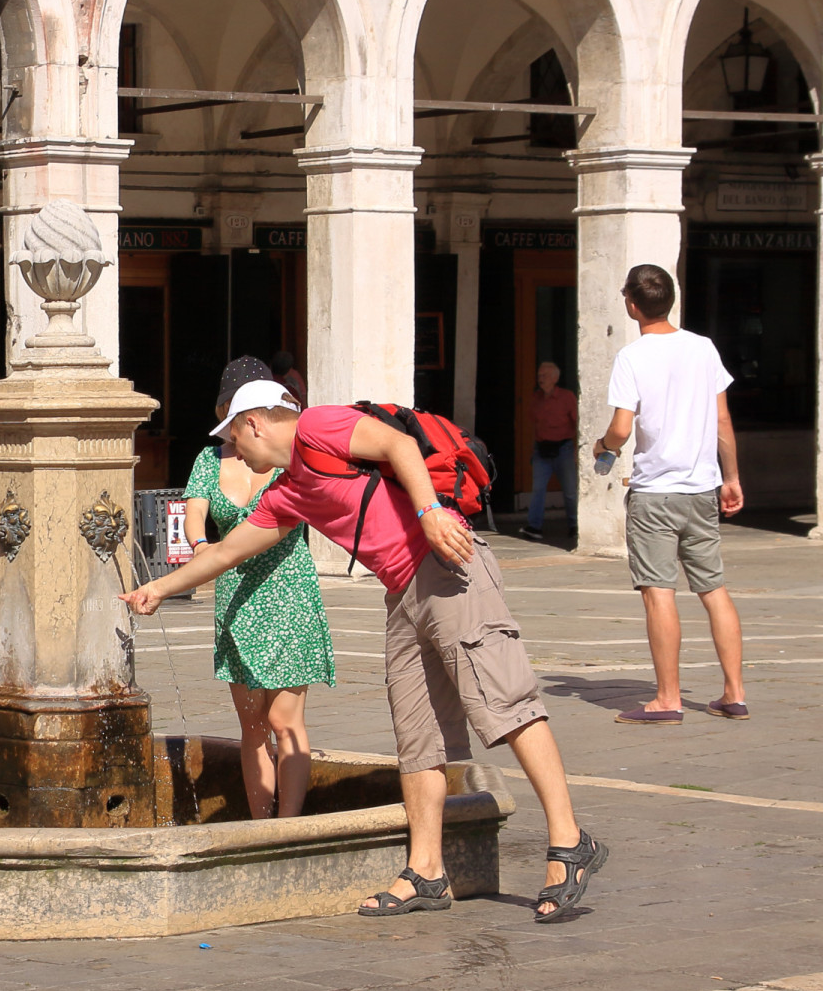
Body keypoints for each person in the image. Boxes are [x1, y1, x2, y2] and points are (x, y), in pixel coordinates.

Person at [124, 380, 607, 923]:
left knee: (504, 703)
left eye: (235, 435)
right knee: (418, 734)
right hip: (401, 593)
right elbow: (230, 551)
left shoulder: (320, 426)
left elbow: (398, 446)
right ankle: (426, 870)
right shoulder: (291, 492)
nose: (233, 448)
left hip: (448, 568)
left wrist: (428, 512)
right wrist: (159, 589)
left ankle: (569, 842)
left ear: (255, 423)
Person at [592, 264, 747, 724]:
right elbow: (722, 420)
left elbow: (622, 428)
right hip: (701, 487)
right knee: (713, 588)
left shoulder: (633, 357)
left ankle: (667, 698)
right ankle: (734, 693)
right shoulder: (704, 348)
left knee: (659, 591)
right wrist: (731, 476)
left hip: (656, 491)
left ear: (632, 304)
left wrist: (603, 447)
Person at [181, 361, 334, 818]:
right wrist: (200, 546)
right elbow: (194, 516)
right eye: (225, 405)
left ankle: (287, 826)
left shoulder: (290, 456)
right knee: (252, 725)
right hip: (237, 598)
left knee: (284, 720)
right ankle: (260, 825)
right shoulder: (208, 460)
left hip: (289, 592)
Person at [523, 361, 578, 541]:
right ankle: (534, 527)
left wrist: (577, 451)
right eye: (539, 376)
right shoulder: (536, 399)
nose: (541, 379)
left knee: (570, 490)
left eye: (545, 376)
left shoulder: (567, 397)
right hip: (542, 449)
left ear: (555, 378)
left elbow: (577, 424)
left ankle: (574, 525)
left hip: (564, 448)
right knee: (538, 489)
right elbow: (534, 425)